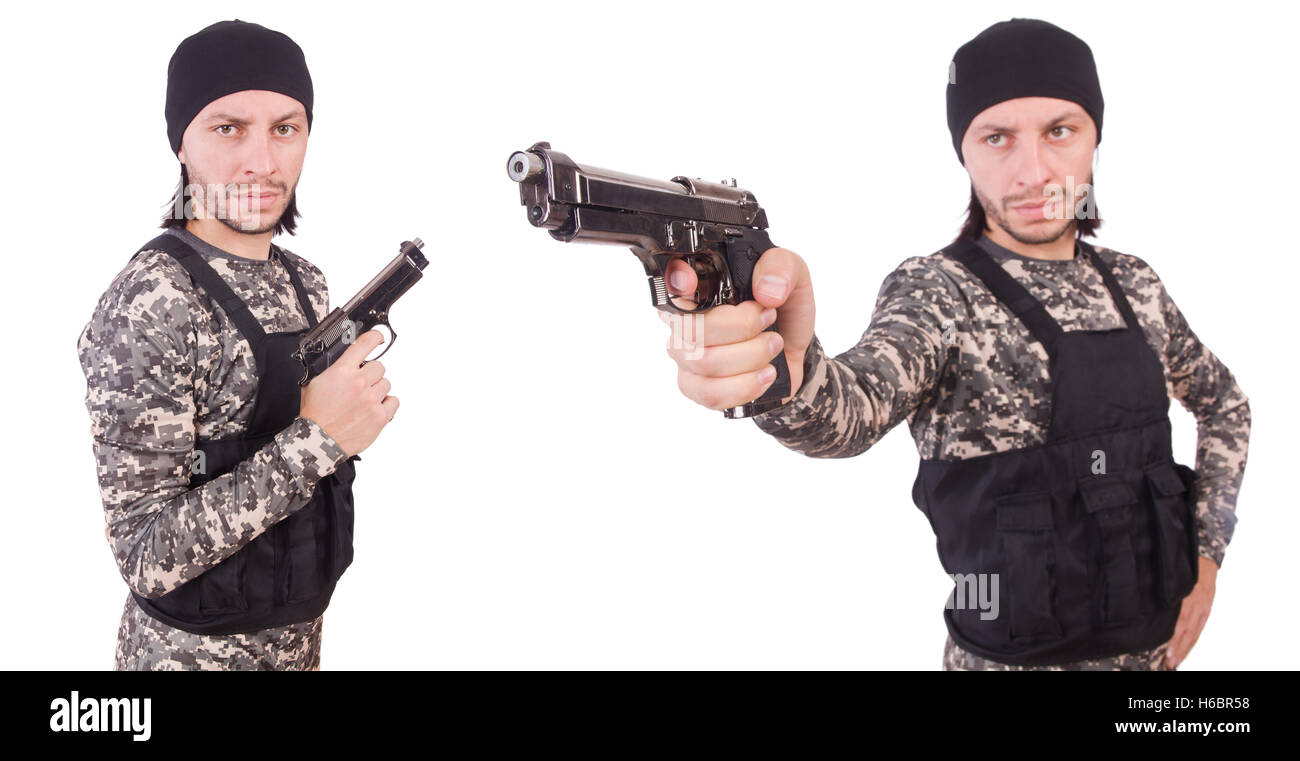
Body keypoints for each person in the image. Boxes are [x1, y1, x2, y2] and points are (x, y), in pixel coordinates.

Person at [659, 18, 1249, 670]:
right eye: (996, 137)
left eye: (1060, 130)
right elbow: (850, 410)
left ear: (1094, 138)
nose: (1034, 170)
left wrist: (1208, 554)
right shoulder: (939, 291)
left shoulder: (1135, 283)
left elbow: (1225, 403)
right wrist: (784, 368)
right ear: (963, 152)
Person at [76, 19, 398, 670]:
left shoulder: (303, 280)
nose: (263, 159)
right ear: (183, 144)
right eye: (229, 128)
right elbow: (145, 554)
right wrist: (320, 437)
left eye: (286, 127)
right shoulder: (151, 303)